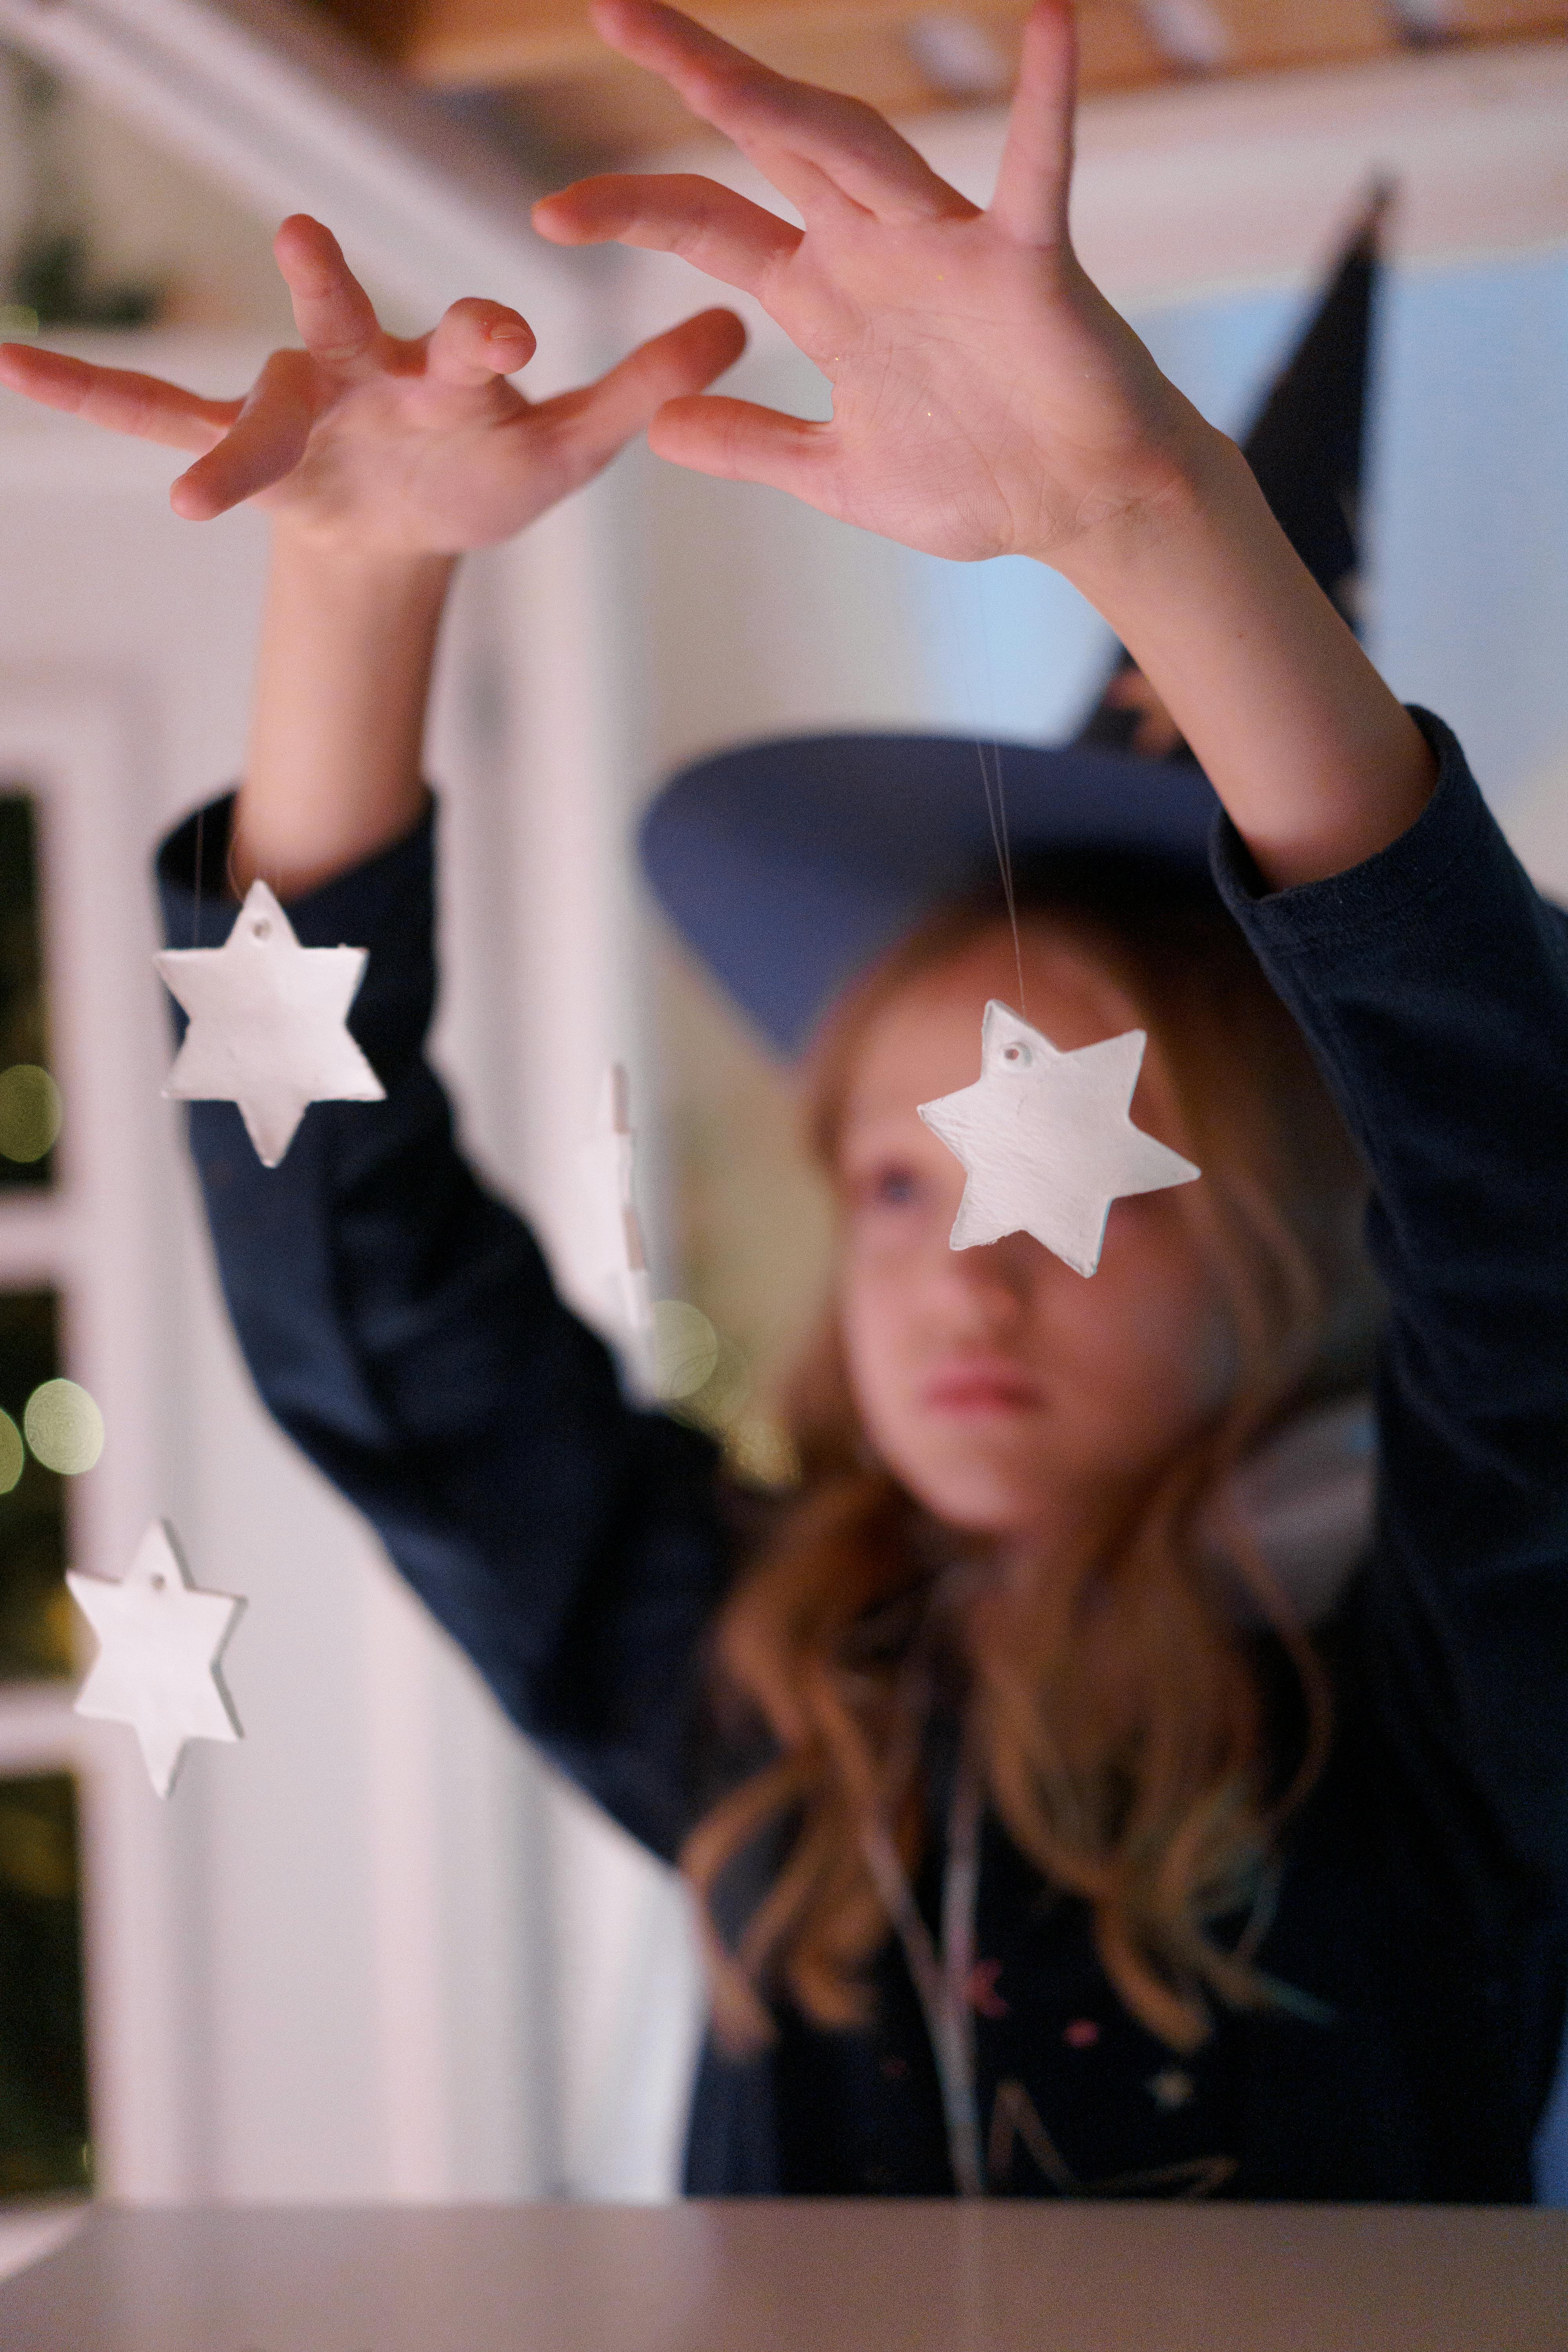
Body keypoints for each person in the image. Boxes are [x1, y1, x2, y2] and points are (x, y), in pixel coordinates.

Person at [2, 0, 1563, 2201]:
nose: (973, 1281)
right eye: (905, 1184)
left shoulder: (1452, 1658)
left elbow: (1524, 1203)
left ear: (1310, 1218)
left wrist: (1143, 520)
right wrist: (357, 593)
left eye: (1102, 1178)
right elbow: (358, 1288)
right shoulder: (768, 1676)